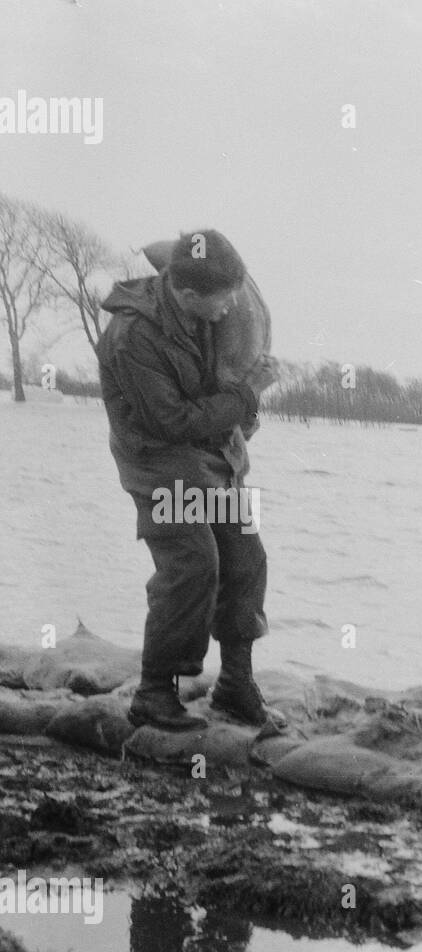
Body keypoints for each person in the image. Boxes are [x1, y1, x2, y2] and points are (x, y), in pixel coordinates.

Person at [97, 230, 275, 732]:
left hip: (209, 457)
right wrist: (247, 396)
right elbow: (170, 422)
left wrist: (239, 411)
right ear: (187, 292)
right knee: (194, 565)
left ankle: (236, 685)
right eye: (223, 299)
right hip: (158, 462)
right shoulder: (132, 336)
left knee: (247, 558)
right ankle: (156, 691)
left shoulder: (204, 315)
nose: (231, 307)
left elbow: (206, 406)